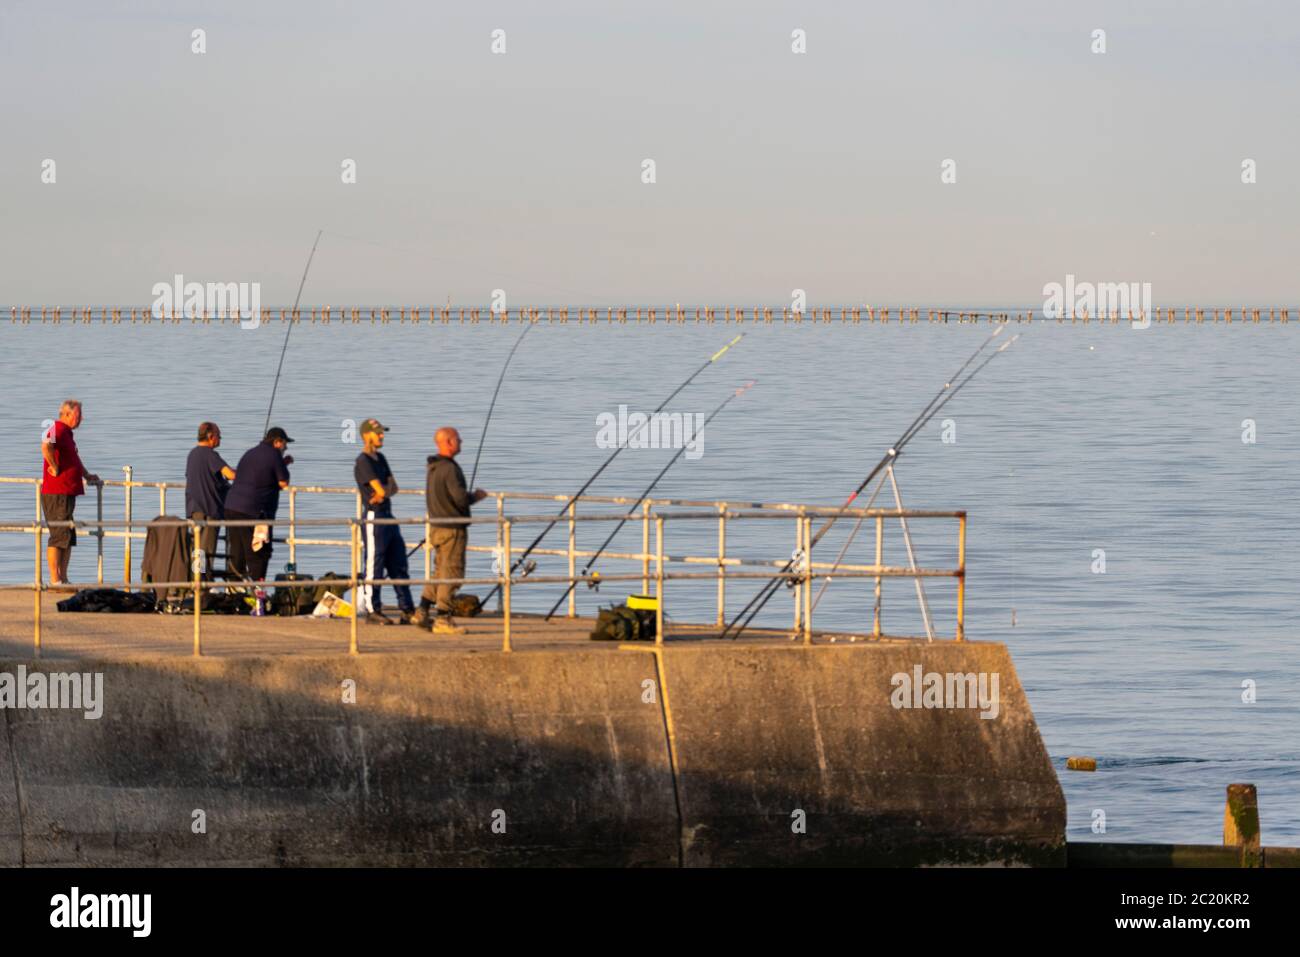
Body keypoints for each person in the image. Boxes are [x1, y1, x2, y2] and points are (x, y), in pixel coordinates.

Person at [417, 426, 487, 634]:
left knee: (439, 571)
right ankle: (443, 619)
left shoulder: (433, 468)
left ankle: (422, 610)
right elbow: (459, 497)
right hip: (452, 529)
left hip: (437, 526)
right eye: (458, 439)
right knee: (452, 573)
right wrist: (476, 496)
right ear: (448, 442)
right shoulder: (450, 469)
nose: (461, 442)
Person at [354, 418, 416, 625]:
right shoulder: (363, 461)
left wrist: (383, 492)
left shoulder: (380, 458)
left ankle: (407, 608)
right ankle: (373, 609)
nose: (381, 436)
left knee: (398, 562)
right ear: (366, 435)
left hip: (388, 516)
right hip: (374, 517)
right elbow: (380, 489)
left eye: (382, 432)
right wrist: (382, 491)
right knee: (375, 563)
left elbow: (392, 488)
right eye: (378, 433)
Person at [39, 399, 101, 586]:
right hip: (56, 492)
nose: (81, 418)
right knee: (58, 535)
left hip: (67, 492)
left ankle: (63, 578)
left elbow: (74, 458)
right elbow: (45, 446)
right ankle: (55, 579)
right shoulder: (56, 428)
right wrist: (54, 466)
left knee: (67, 534)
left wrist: (86, 474)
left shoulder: (67, 434)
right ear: (66, 414)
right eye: (78, 415)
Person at [223, 427, 294, 585]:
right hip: (254, 511)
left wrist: (281, 464)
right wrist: (283, 465)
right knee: (259, 552)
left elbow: (262, 472)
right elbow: (283, 482)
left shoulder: (251, 452)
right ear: (277, 442)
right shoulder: (274, 455)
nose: (286, 447)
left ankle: (234, 590)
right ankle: (258, 592)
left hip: (232, 507)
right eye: (284, 444)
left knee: (237, 551)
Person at [185, 422, 236, 585]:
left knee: (197, 548)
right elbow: (230, 474)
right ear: (211, 437)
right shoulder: (211, 455)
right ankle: (204, 584)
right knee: (207, 549)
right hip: (209, 509)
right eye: (219, 436)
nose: (220, 439)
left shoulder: (192, 454)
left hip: (194, 508)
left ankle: (196, 580)